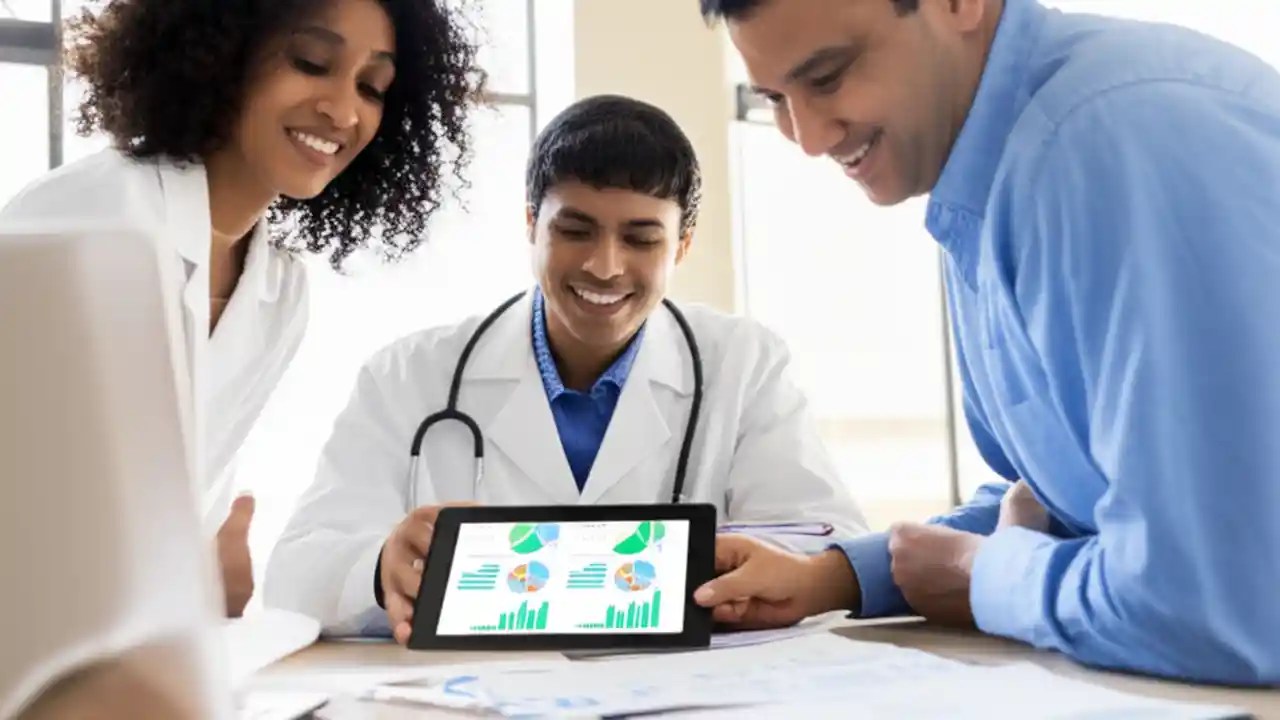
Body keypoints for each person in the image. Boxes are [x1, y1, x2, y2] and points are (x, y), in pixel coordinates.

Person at [692, 0, 1280, 685]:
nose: (809, 138)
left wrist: (981, 576)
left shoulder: (1112, 142)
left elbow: (1220, 605)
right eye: (775, 99)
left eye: (827, 78)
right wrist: (837, 578)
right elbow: (1059, 502)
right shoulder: (990, 171)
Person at [264, 94, 869, 642]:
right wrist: (379, 568)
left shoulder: (744, 364)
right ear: (531, 225)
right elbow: (295, 573)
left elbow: (825, 544)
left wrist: (737, 565)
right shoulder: (408, 375)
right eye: (575, 231)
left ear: (681, 246)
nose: (605, 267)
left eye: (641, 239)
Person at [0, 0, 483, 617]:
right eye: (311, 62)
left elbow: (184, 533)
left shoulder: (278, 288)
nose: (342, 109)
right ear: (221, 58)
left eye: (371, 87)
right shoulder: (92, 214)